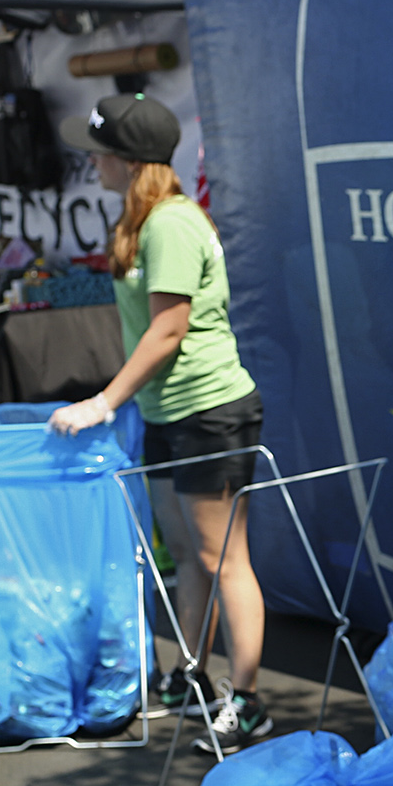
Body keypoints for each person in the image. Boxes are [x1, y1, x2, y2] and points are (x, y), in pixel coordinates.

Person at [48, 94, 271, 744]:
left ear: (125, 158)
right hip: (170, 411)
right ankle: (195, 674)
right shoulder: (146, 221)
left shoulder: (171, 223)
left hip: (210, 409)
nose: (91, 162)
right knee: (192, 556)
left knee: (223, 555)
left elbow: (169, 329)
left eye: (98, 151)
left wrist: (102, 402)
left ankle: (250, 696)